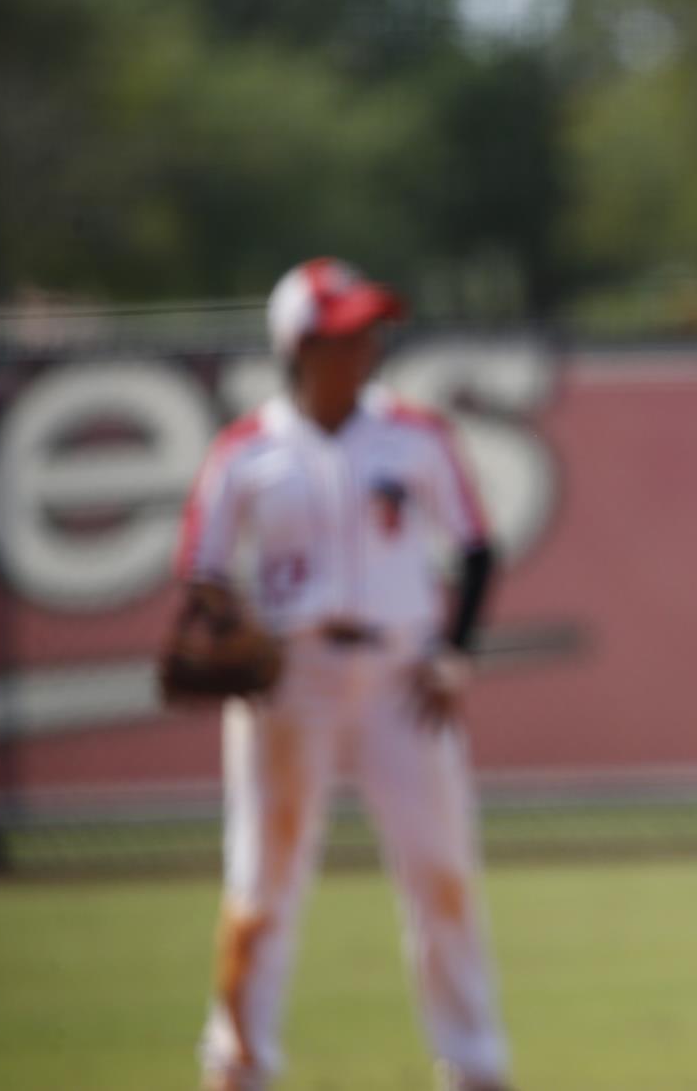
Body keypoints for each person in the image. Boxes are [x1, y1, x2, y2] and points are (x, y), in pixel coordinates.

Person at [175, 257, 513, 1091]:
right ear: (298, 345)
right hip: (288, 680)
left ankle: (475, 1068)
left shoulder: (414, 432)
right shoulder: (247, 448)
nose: (365, 345)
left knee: (441, 875)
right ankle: (238, 1065)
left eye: (369, 329)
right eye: (343, 332)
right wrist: (231, 628)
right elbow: (204, 568)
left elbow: (475, 546)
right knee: (261, 882)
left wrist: (452, 651)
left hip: (403, 675)